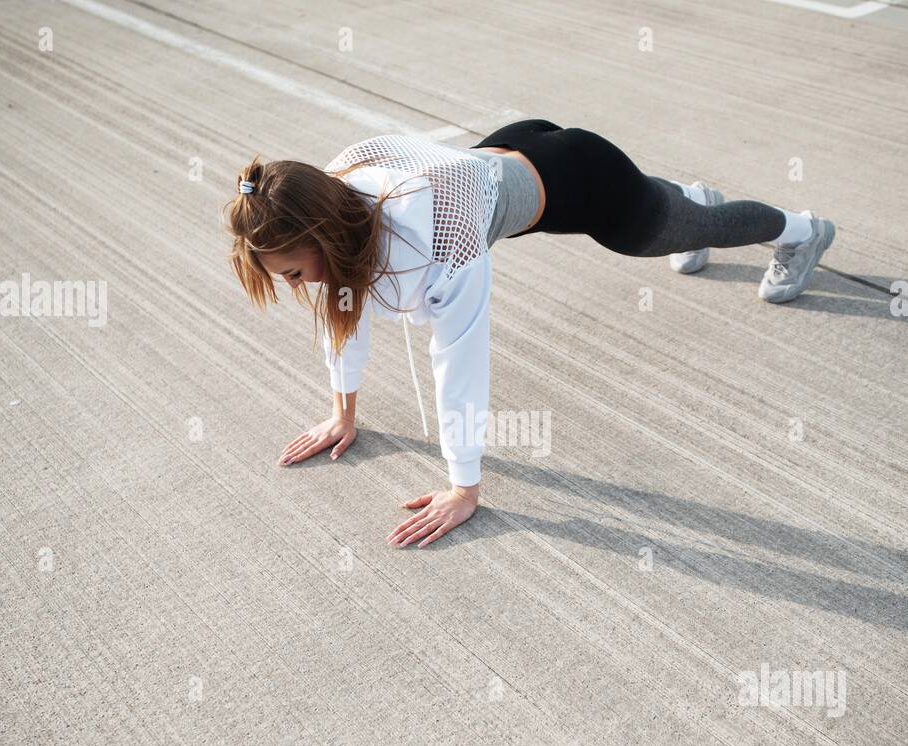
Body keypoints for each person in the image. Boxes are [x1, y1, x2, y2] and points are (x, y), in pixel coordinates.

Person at [224, 119, 834, 548]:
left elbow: (459, 359)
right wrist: (342, 412)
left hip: (581, 178)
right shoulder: (329, 199)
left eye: (295, 273)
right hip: (512, 148)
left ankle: (801, 230)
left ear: (326, 237)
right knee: (679, 216)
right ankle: (688, 206)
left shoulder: (437, 240)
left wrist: (464, 487)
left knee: (669, 229)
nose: (298, 287)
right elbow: (342, 304)